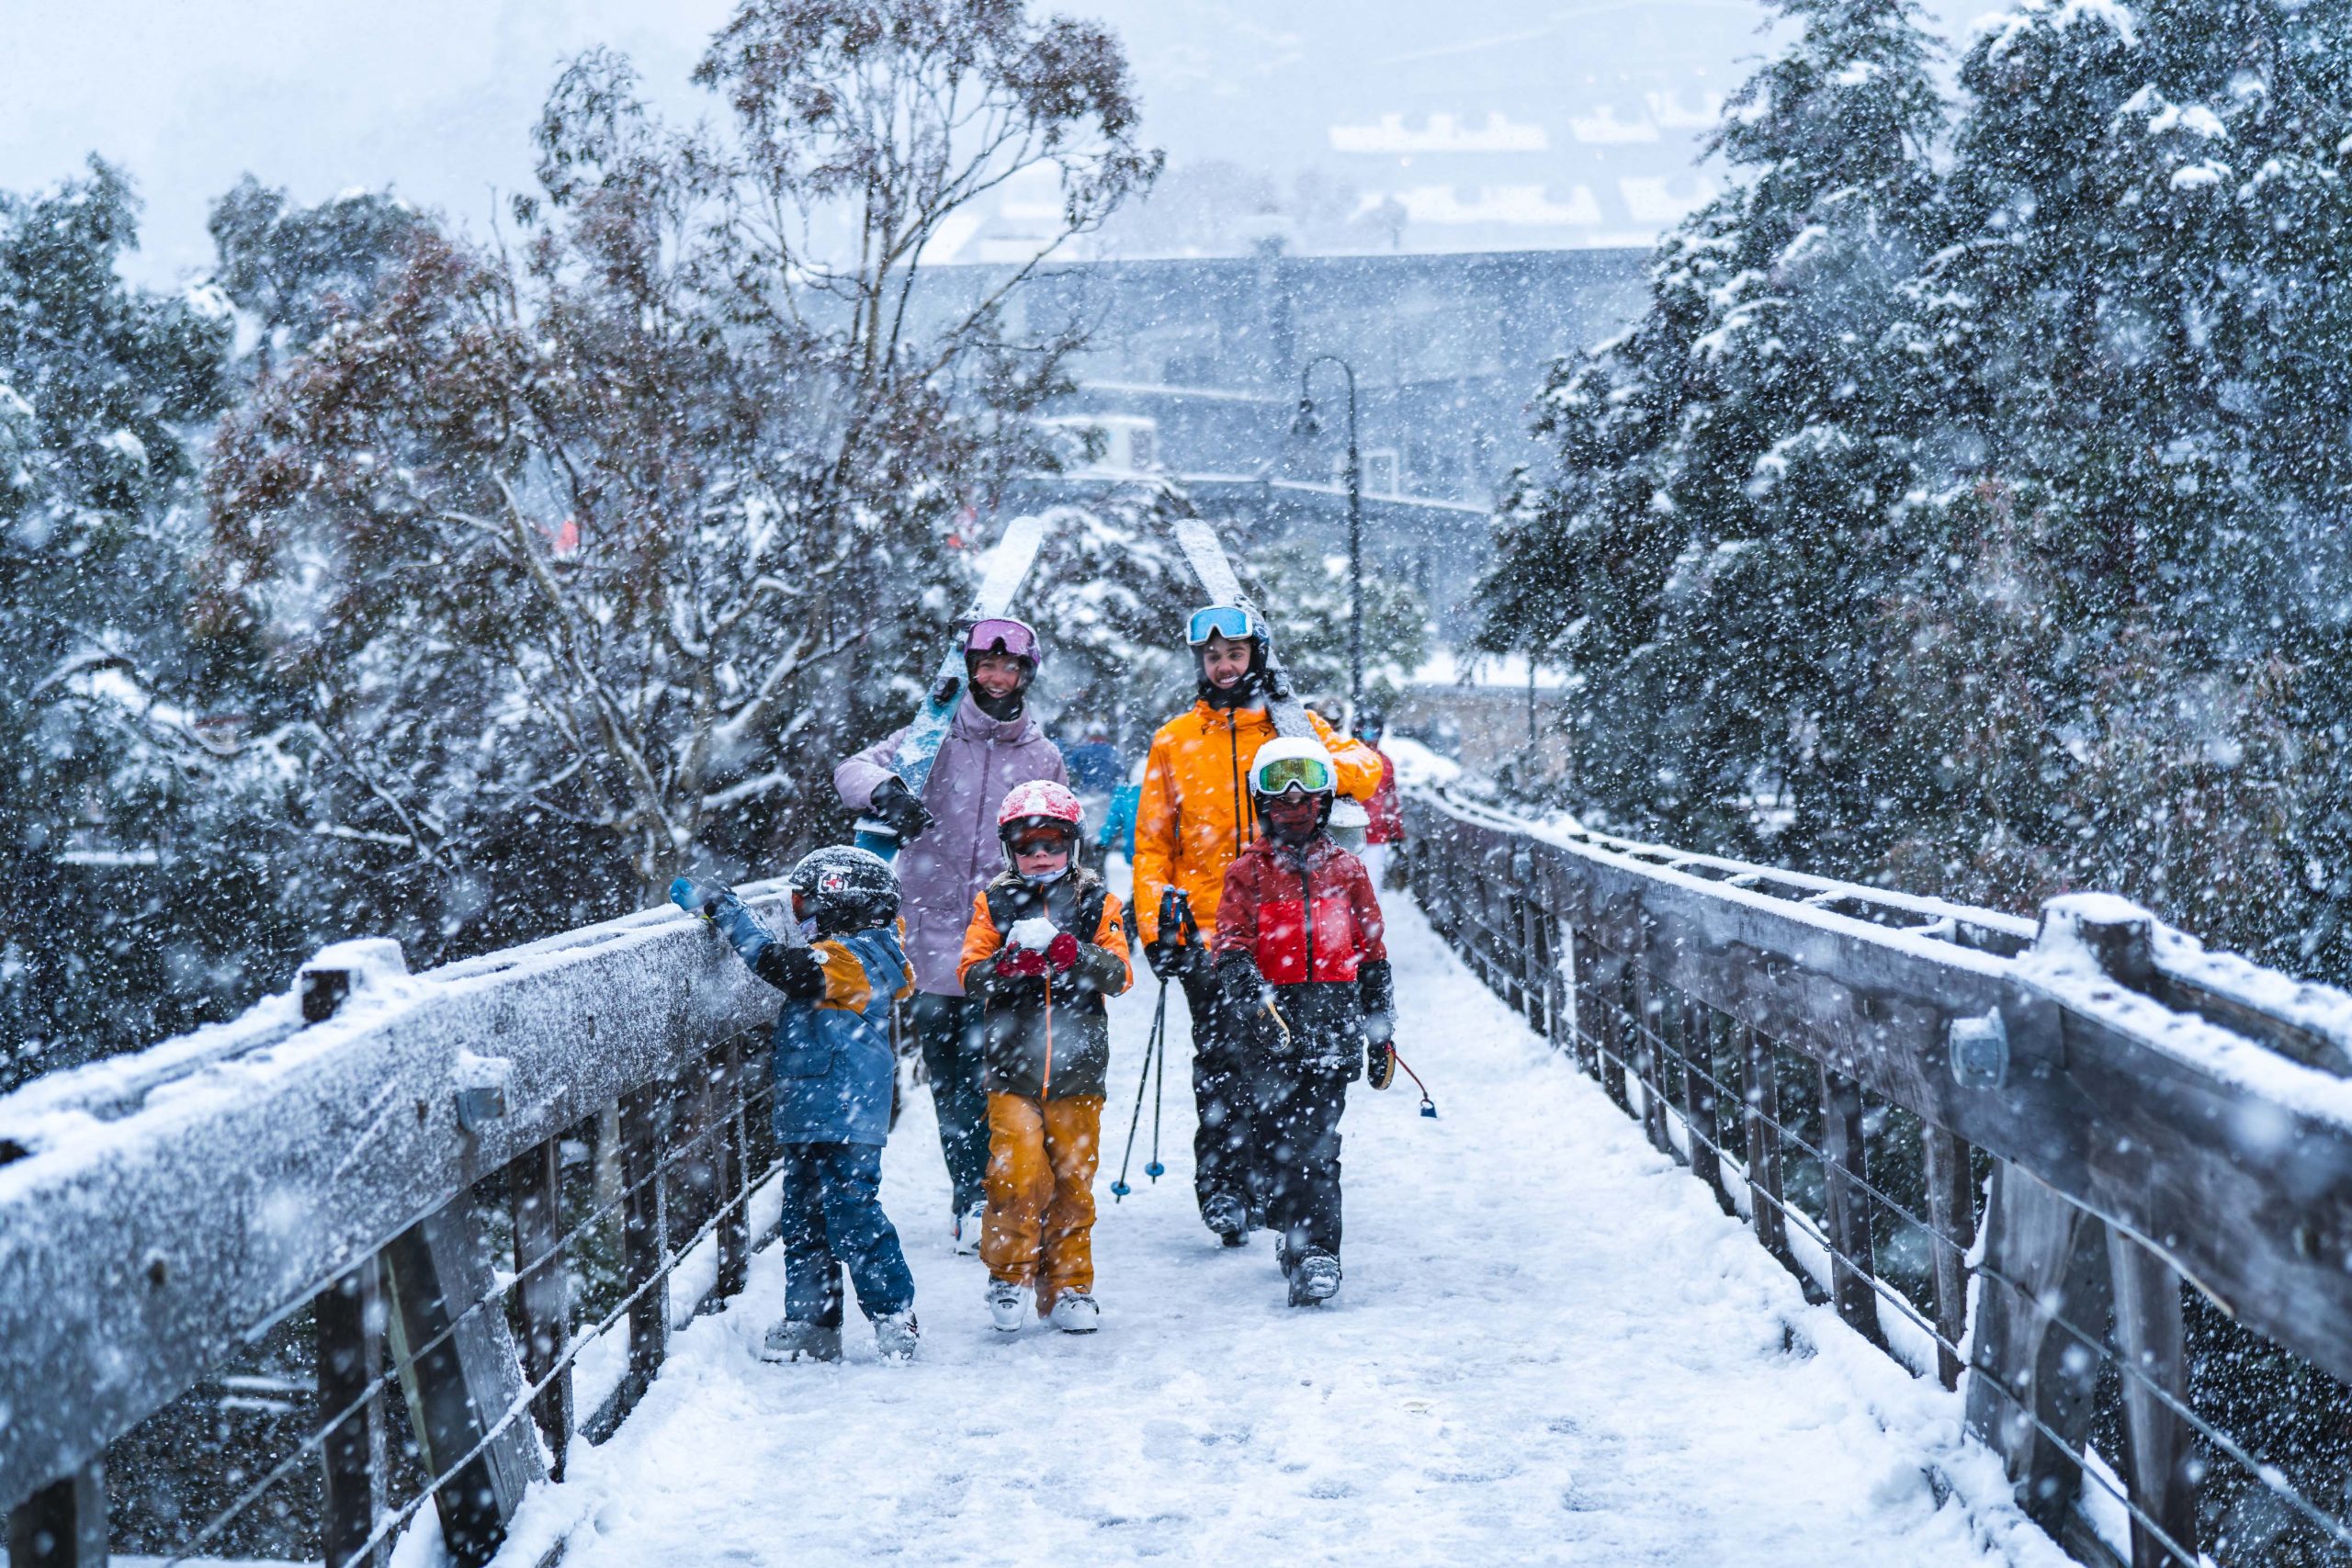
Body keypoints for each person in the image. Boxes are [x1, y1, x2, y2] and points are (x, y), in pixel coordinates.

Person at [1130, 604, 1382, 1247]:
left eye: (1235, 654)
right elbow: (1154, 843)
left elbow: (1365, 771)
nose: (1223, 665)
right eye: (1213, 656)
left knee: (1280, 1064)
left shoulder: (1294, 726)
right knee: (1219, 1063)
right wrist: (1159, 925)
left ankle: (1280, 1188)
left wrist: (1296, 732)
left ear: (1257, 658)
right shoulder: (1174, 739)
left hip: (1286, 928)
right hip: (1210, 931)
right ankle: (1223, 1187)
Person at [836, 617, 1067, 1254]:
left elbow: (1062, 840)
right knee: (953, 1080)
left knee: (1008, 1079)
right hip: (932, 941)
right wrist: (888, 793)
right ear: (969, 670)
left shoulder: (1042, 757)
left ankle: (1011, 1192)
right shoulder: (930, 736)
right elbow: (850, 769)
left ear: (1026, 675)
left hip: (1005, 939)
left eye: (1009, 669)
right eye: (985, 667)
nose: (996, 679)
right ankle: (970, 1197)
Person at [671, 848, 920, 1361]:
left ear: (843, 904)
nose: (801, 917)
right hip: (810, 1107)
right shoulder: (849, 949)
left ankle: (894, 1313)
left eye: (806, 905)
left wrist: (728, 912)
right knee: (804, 1218)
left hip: (847, 1112)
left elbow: (785, 967)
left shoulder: (863, 955)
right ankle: (812, 1320)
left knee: (852, 1213)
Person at [1209, 738, 1395, 1307]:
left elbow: (1372, 953)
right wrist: (1250, 993)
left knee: (1316, 1145)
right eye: (1281, 801)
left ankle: (1317, 1252)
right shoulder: (1248, 873)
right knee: (1273, 1143)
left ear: (1324, 804)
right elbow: (1230, 944)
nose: (1294, 810)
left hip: (1332, 1025)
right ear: (1263, 806)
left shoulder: (1348, 871)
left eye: (1306, 800)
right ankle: (1290, 1230)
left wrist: (1379, 1029)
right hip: (1271, 1030)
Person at [956, 781, 1132, 1332]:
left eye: (1052, 844)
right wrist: (1008, 967)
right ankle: (1009, 1276)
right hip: (1012, 1071)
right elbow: (969, 974)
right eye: (1028, 846)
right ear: (1010, 849)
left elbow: (1120, 974)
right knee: (1017, 1173)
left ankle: (1069, 1287)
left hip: (1079, 1073)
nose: (1040, 856)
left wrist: (1072, 953)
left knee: (1073, 1180)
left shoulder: (1098, 902)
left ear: (1071, 844)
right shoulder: (994, 902)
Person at [1359, 706, 1405, 890]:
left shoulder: (1385, 763)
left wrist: (1396, 835)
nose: (1372, 737)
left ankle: (1368, 919)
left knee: (1371, 889)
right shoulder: (1346, 759)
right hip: (1348, 835)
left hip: (1376, 836)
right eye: (1367, 731)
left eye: (1376, 732)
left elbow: (1391, 801)